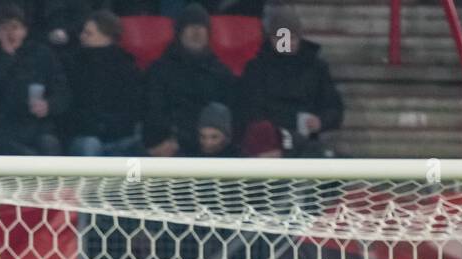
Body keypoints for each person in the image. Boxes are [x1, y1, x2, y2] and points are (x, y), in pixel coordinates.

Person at [237, 4, 342, 157]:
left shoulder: (316, 67)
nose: (287, 43)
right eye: (282, 38)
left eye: (292, 37)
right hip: (269, 147)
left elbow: (334, 108)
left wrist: (320, 121)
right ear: (272, 38)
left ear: (299, 37)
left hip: (307, 145)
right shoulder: (256, 69)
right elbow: (249, 110)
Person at [0, 4, 69, 155]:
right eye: (4, 28)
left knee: (49, 144)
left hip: (36, 126)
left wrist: (49, 105)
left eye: (15, 27)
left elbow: (63, 91)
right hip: (0, 129)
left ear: (24, 31)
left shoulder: (42, 55)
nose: (10, 33)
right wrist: (5, 59)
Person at [144, 3, 236, 157]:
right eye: (191, 26)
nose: (197, 32)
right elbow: (153, 112)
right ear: (180, 32)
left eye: (201, 27)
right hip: (172, 144)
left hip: (212, 145)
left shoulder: (221, 72)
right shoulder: (160, 70)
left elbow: (231, 112)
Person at [65, 10, 142, 156]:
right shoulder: (74, 64)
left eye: (88, 33)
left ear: (107, 37)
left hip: (120, 135)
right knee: (89, 145)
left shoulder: (126, 66)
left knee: (138, 144)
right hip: (85, 135)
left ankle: (134, 180)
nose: (81, 37)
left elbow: (133, 106)